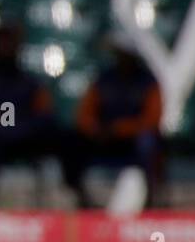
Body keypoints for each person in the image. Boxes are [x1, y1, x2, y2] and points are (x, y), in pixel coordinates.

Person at [0, 24, 63, 207]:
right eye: (3, 41)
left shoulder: (31, 84)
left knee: (52, 166)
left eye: (11, 41)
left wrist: (15, 129)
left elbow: (46, 119)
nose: (7, 46)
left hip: (24, 146)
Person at [62, 36, 164, 209]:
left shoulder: (148, 83)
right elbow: (84, 115)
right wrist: (95, 129)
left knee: (148, 143)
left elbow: (152, 121)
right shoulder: (104, 80)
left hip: (132, 141)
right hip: (104, 139)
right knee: (72, 141)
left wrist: (119, 129)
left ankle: (152, 199)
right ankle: (81, 198)